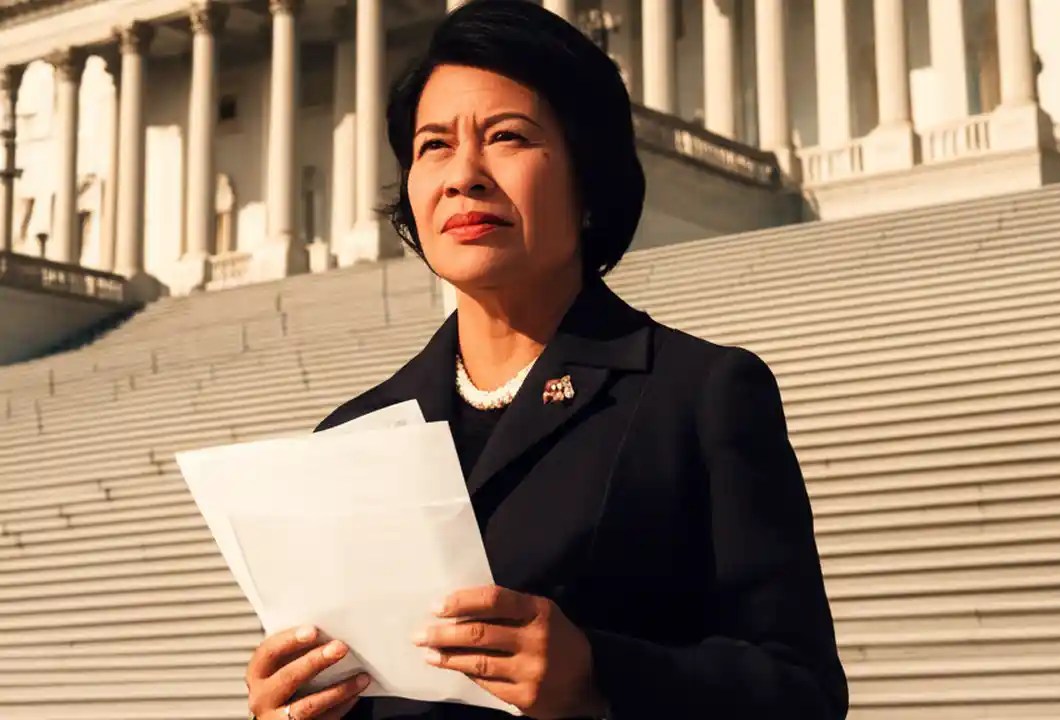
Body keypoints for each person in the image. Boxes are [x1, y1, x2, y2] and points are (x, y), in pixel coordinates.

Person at [242, 1, 847, 718]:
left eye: (507, 136)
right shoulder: (354, 436)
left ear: (589, 181)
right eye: (433, 145)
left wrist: (597, 679)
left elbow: (802, 692)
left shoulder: (699, 396)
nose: (464, 175)